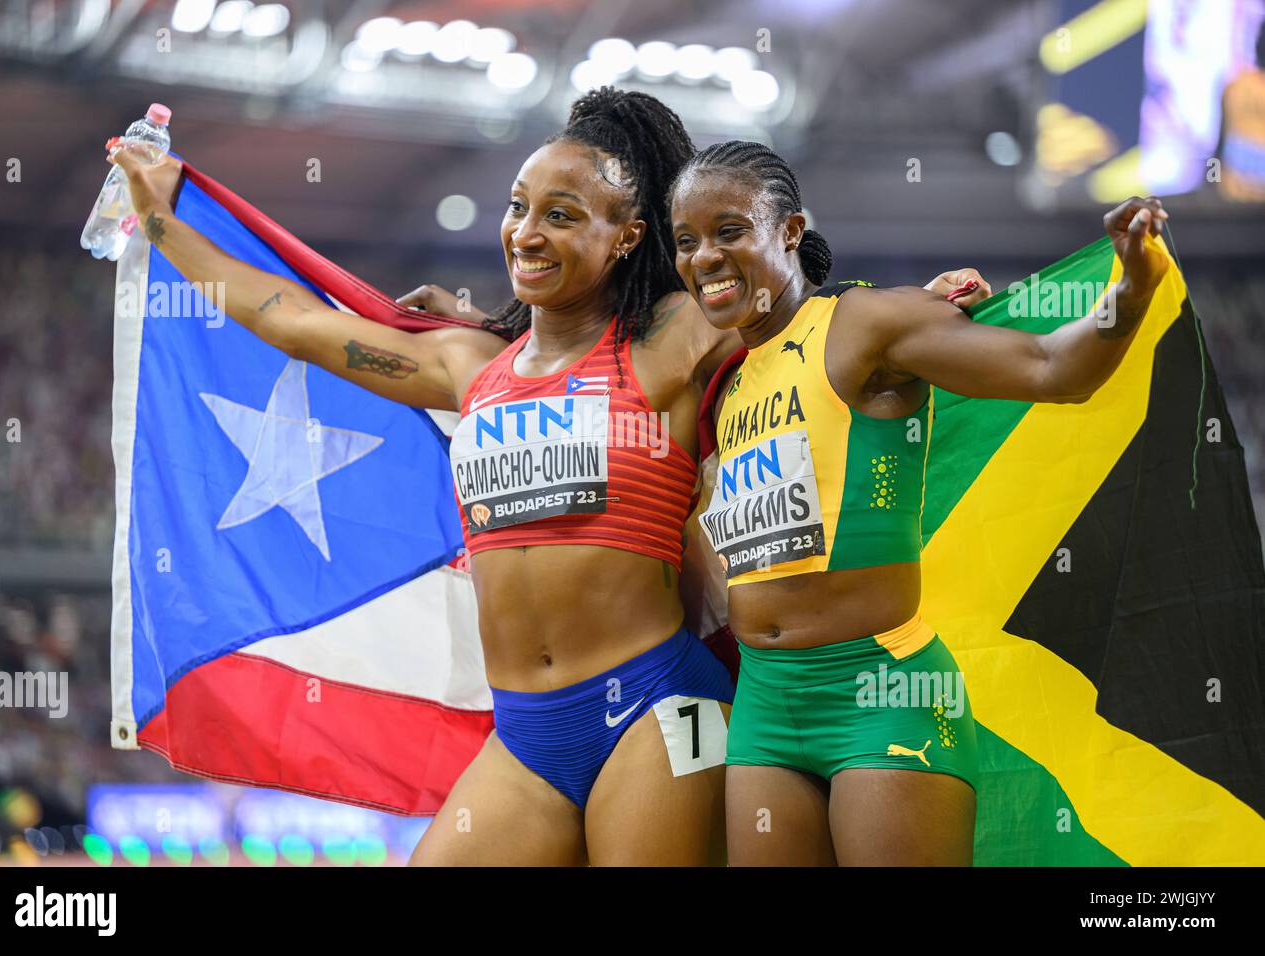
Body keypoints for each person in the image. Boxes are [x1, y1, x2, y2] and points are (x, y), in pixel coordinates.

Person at [109, 89, 987, 865]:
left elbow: (789, 314)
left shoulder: (669, 343)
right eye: (521, 208)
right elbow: (294, 322)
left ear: (628, 238)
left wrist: (909, 312)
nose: (527, 232)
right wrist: (162, 223)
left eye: (563, 216)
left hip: (657, 707)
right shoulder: (467, 363)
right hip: (527, 736)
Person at [668, 140, 1169, 866]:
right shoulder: (730, 381)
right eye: (687, 241)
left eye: (729, 231)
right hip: (765, 711)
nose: (704, 256)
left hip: (882, 695)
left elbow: (1053, 368)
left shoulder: (869, 327)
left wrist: (1132, 289)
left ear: (791, 232)